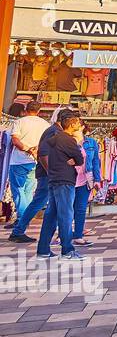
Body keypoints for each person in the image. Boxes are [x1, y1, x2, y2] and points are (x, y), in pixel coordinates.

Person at [35, 111, 86, 261]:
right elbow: (79, 158)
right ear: (71, 124)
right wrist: (73, 159)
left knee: (52, 214)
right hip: (64, 180)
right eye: (77, 123)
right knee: (65, 215)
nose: (79, 125)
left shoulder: (53, 138)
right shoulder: (69, 140)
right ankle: (67, 250)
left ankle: (43, 249)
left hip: (54, 179)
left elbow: (43, 151)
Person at [7, 100, 50, 243]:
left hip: (19, 160)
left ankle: (21, 221)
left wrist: (26, 148)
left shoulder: (20, 122)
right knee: (28, 191)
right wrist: (34, 151)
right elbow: (46, 143)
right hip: (35, 161)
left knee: (19, 191)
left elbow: (15, 140)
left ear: (26, 109)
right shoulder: (45, 124)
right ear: (39, 111)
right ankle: (23, 220)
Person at [71, 123, 101, 248]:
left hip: (85, 178)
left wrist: (97, 179)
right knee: (68, 208)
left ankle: (78, 236)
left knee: (81, 208)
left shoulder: (91, 143)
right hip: (69, 178)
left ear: (83, 127)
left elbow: (96, 162)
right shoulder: (67, 141)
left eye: (78, 125)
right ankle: (63, 234)